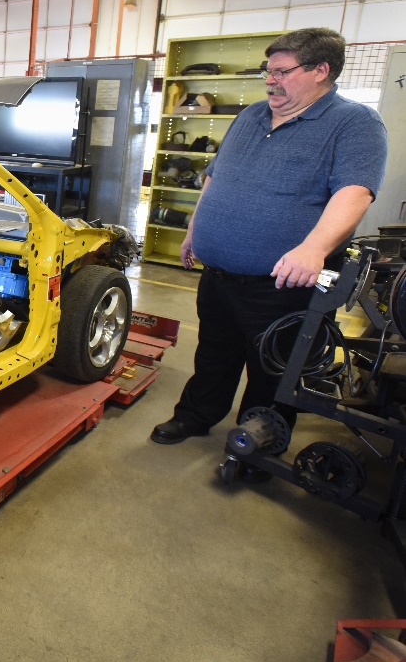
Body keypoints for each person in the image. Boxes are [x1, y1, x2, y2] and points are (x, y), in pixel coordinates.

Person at [151, 27, 388, 445]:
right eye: (268, 71)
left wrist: (313, 249)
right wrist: (194, 231)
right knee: (214, 352)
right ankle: (195, 415)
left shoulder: (354, 122)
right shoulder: (251, 115)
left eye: (282, 72)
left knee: (273, 367)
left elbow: (355, 193)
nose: (270, 80)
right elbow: (215, 178)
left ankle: (259, 442)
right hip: (219, 275)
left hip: (283, 283)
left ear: (321, 70)